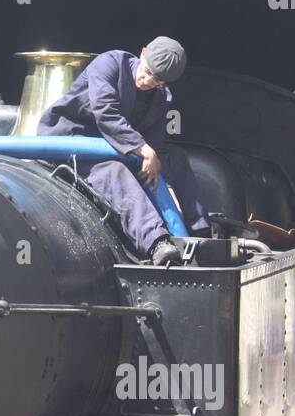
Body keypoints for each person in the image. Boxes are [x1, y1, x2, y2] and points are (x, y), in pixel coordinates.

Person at [37, 37, 208, 265]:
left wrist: (166, 186)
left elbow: (157, 147)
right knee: (114, 171)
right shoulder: (109, 64)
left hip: (120, 147)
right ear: (143, 52)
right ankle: (156, 241)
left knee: (177, 159)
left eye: (156, 80)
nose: (147, 80)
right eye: (147, 72)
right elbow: (105, 112)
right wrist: (142, 148)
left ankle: (202, 233)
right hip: (75, 141)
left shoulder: (161, 98)